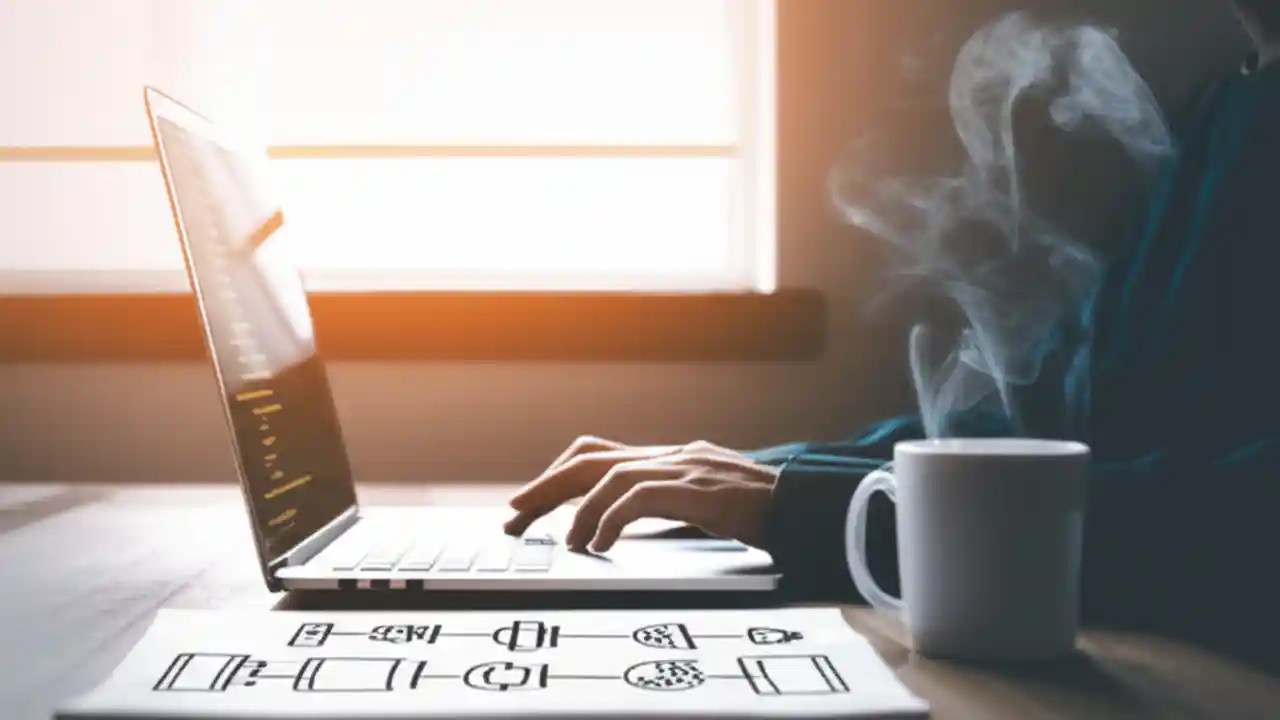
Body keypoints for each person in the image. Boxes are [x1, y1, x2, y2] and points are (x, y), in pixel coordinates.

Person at [506, 0, 1280, 657]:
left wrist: (803, 505)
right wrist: (754, 472)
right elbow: (1058, 424)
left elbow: (1239, 533)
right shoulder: (1230, 102)